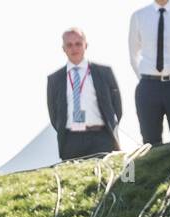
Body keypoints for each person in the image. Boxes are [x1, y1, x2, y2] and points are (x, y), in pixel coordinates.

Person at [47, 27, 123, 161]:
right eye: (69, 45)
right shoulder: (55, 79)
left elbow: (117, 107)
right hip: (71, 141)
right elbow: (54, 114)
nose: (74, 48)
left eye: (78, 44)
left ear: (85, 45)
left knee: (104, 178)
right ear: (63, 48)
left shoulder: (104, 72)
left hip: (101, 137)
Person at [128, 0, 170, 146]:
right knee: (150, 143)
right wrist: (146, 78)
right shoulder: (139, 16)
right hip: (149, 87)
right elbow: (133, 55)